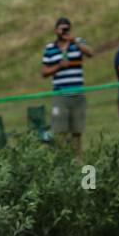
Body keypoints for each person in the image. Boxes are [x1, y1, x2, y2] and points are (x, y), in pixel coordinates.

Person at [41, 16, 94, 157]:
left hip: (77, 93)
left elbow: (90, 53)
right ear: (56, 30)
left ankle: (78, 161)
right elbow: (44, 72)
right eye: (62, 28)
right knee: (60, 131)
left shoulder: (77, 43)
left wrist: (75, 41)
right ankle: (63, 161)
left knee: (77, 132)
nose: (65, 31)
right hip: (60, 94)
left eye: (67, 28)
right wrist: (58, 66)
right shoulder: (50, 49)